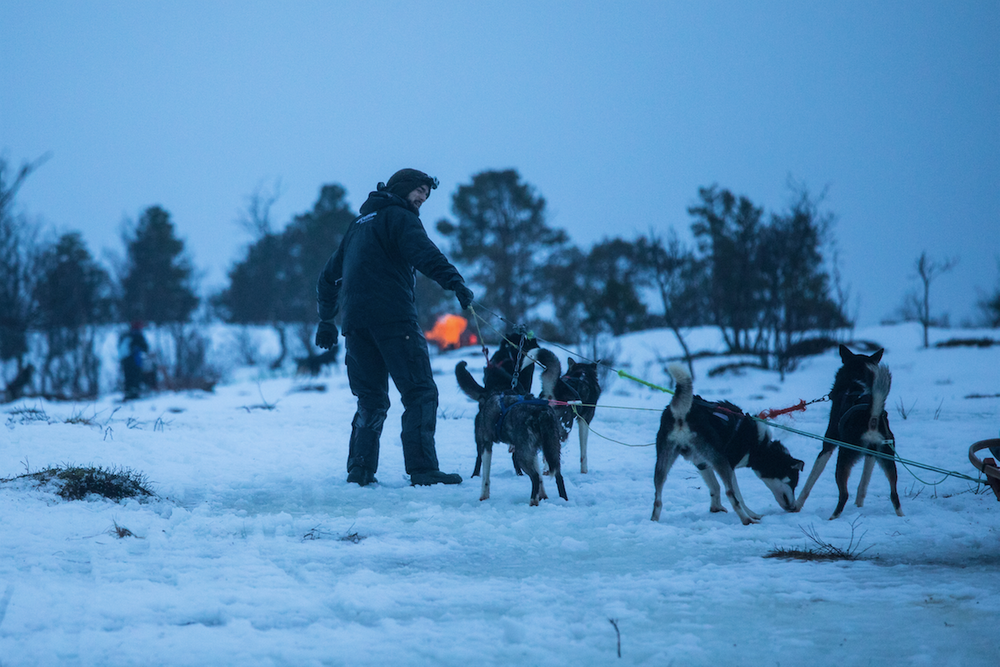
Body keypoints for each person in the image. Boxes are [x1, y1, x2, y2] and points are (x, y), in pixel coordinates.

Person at [315, 168, 474, 487]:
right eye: (420, 191)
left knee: (370, 399)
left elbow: (327, 278)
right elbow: (424, 253)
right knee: (420, 391)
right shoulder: (399, 217)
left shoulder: (358, 226)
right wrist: (454, 281)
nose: (422, 198)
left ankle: (360, 468)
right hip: (394, 320)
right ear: (402, 188)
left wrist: (327, 320)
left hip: (356, 326)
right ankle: (423, 468)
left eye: (426, 195)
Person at [118, 321, 151, 400]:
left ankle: (128, 393)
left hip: (125, 360)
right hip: (135, 360)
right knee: (136, 376)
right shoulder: (138, 335)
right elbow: (145, 347)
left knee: (128, 377)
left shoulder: (126, 335)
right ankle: (134, 393)